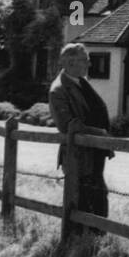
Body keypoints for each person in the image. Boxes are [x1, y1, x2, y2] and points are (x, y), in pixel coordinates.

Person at [48, 43, 114, 237]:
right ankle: (79, 242)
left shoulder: (80, 82)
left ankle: (97, 240)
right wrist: (100, 133)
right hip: (79, 156)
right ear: (70, 62)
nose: (89, 64)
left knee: (99, 195)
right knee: (83, 198)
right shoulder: (59, 90)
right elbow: (67, 125)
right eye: (85, 60)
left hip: (94, 152)